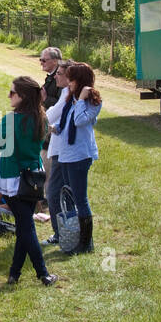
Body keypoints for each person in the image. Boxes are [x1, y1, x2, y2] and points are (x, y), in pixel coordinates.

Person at [0, 76, 57, 286]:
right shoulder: (41, 118)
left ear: (23, 96)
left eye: (13, 93)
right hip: (33, 177)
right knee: (24, 227)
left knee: (26, 228)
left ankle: (42, 273)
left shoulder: (11, 120)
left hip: (13, 179)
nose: (9, 96)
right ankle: (14, 274)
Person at [57, 63, 102, 254]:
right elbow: (66, 124)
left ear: (81, 80)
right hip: (67, 154)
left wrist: (82, 99)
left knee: (80, 199)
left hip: (80, 156)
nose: (68, 82)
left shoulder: (92, 102)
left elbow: (79, 121)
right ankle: (73, 235)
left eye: (71, 79)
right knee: (69, 196)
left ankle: (86, 242)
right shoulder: (72, 99)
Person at [42, 60, 73, 245]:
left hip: (63, 152)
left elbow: (52, 114)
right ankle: (66, 232)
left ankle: (63, 234)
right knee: (61, 192)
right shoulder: (66, 93)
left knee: (54, 192)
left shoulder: (68, 94)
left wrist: (34, 115)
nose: (56, 76)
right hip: (60, 149)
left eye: (60, 74)